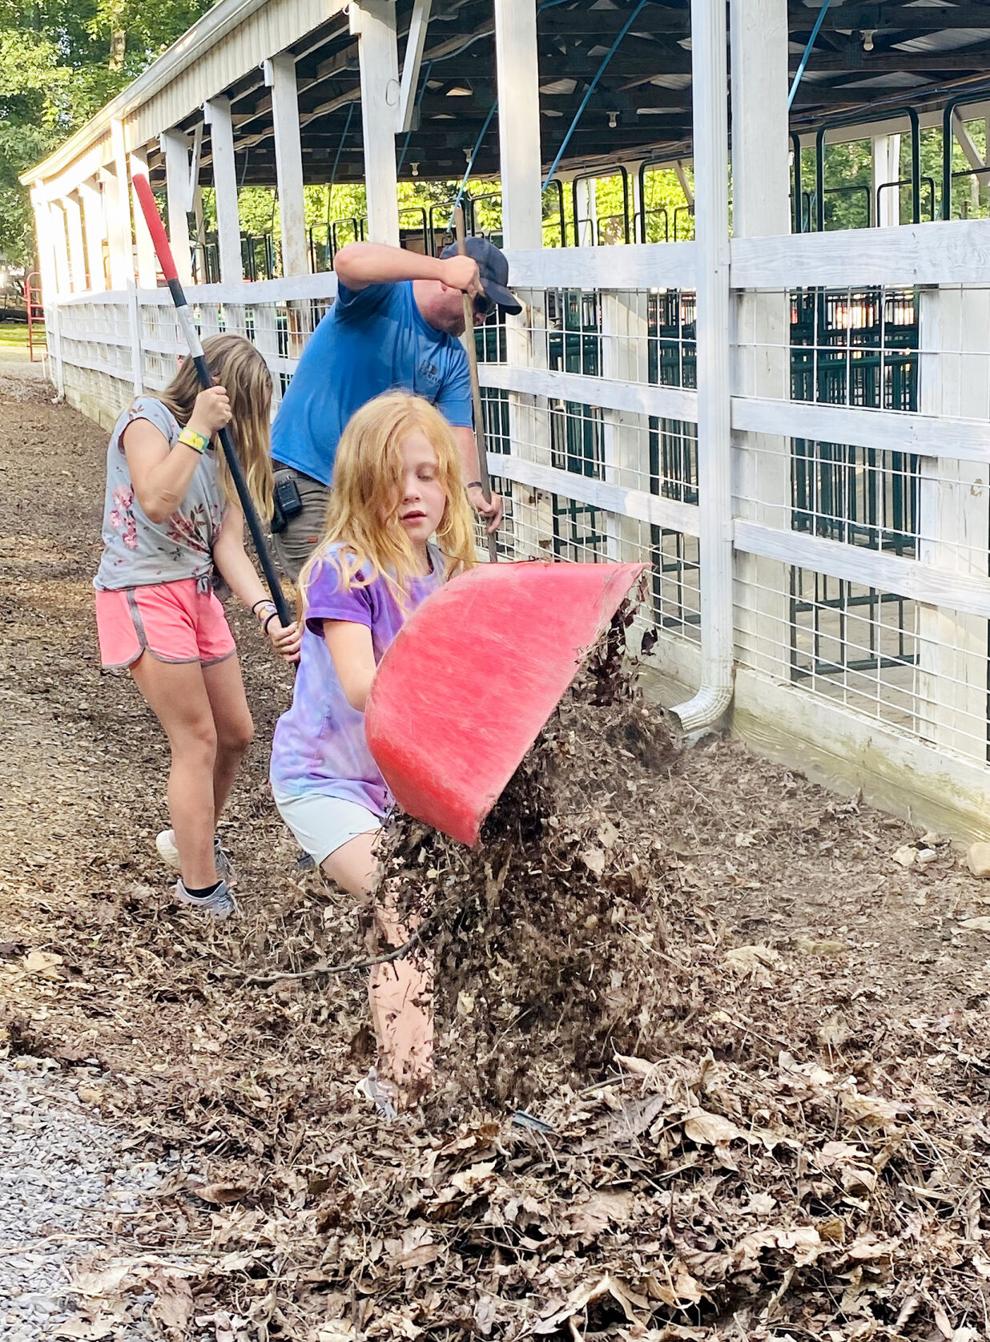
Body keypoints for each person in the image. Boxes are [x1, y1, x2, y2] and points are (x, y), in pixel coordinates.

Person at [269, 390, 476, 1113]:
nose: (412, 492)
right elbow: (362, 686)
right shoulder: (345, 569)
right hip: (322, 782)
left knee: (440, 911)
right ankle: (402, 1086)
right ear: (362, 486)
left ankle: (433, 1056)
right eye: (393, 477)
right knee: (403, 907)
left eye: (427, 474)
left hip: (395, 787)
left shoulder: (445, 571)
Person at [94, 334, 301, 919]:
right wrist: (198, 429)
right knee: (196, 739)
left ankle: (190, 841)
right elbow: (156, 500)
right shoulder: (148, 419)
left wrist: (266, 612)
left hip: (197, 592)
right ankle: (200, 887)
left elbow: (227, 545)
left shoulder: (227, 455)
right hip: (144, 588)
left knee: (235, 732)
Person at [269, 237, 521, 579]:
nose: (480, 318)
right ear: (449, 284)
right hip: (312, 478)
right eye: (482, 303)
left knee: (382, 598)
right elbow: (348, 260)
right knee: (335, 595)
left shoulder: (453, 358)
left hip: (377, 496)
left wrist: (473, 490)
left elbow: (457, 430)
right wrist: (441, 268)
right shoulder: (381, 295)